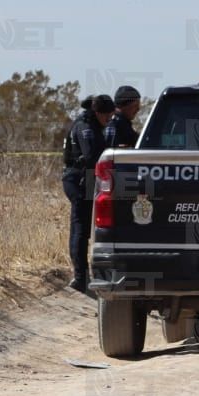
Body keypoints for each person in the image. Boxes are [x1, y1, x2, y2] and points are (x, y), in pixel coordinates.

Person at [62, 94, 115, 293]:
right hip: (78, 179)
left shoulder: (89, 124)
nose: (108, 121)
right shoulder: (85, 128)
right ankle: (80, 277)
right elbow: (93, 156)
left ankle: (83, 275)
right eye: (107, 117)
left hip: (83, 178)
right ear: (98, 113)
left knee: (83, 228)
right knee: (80, 228)